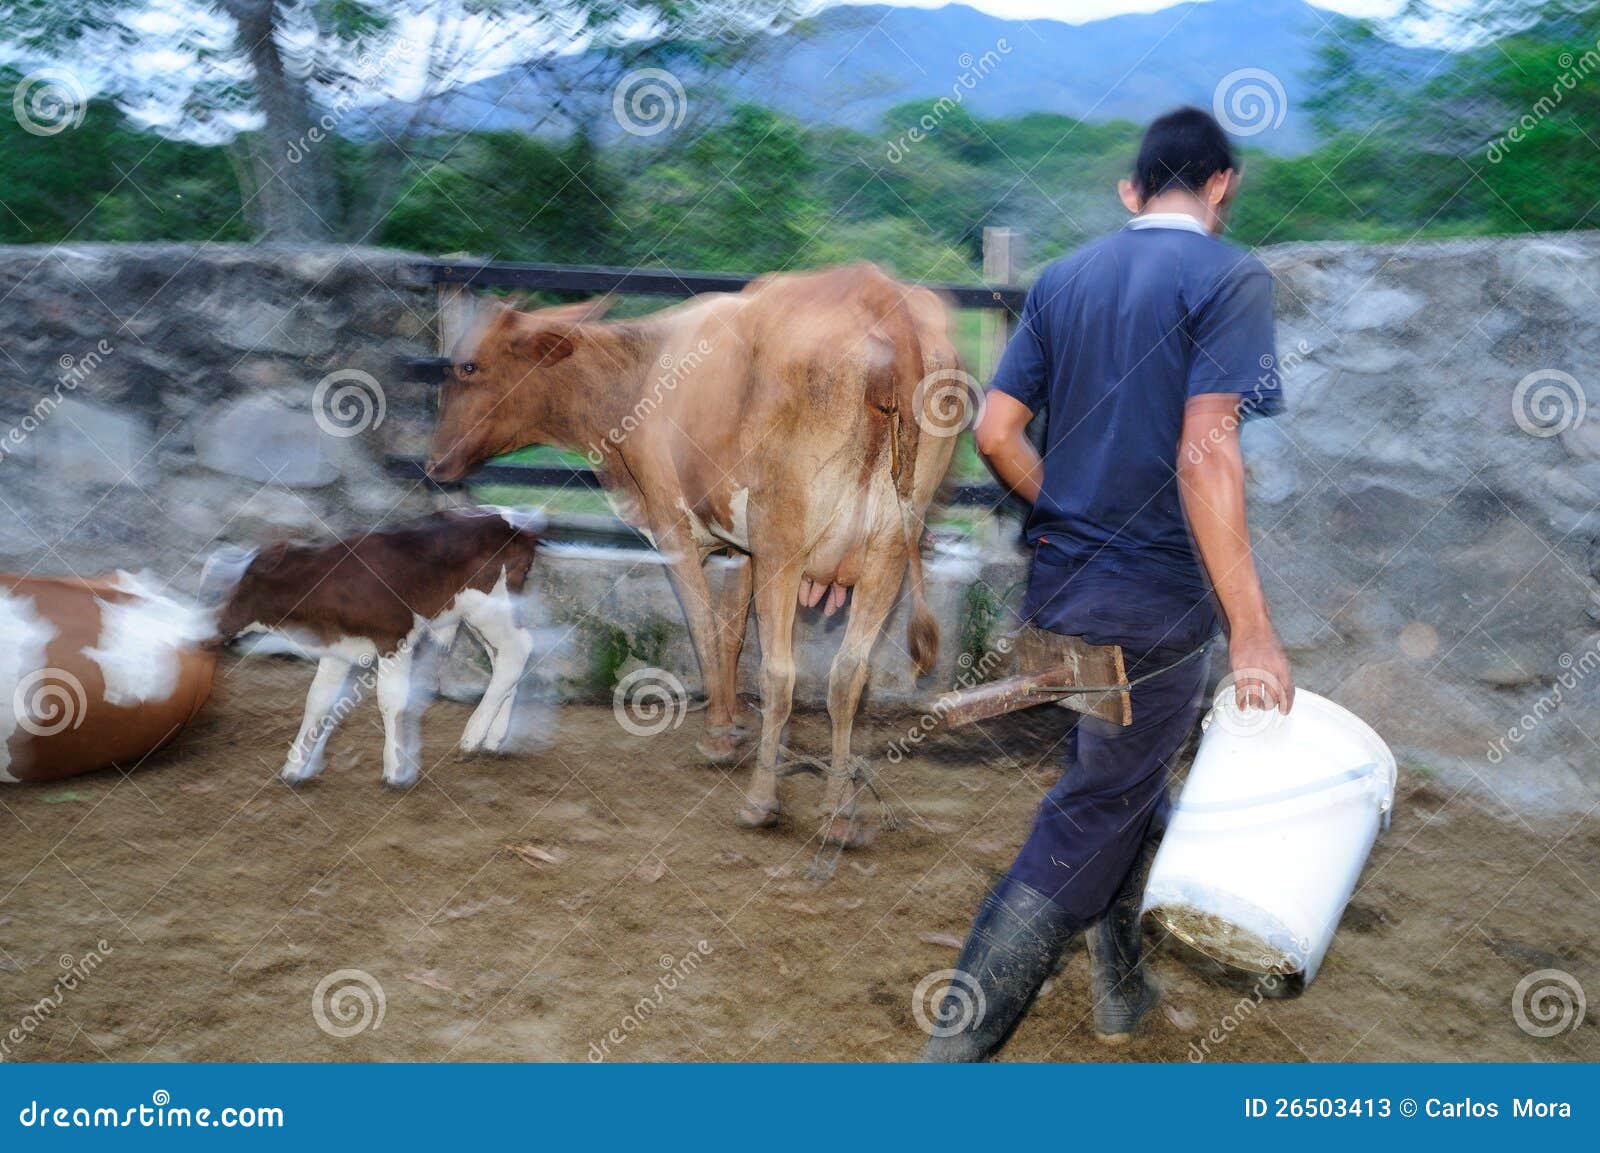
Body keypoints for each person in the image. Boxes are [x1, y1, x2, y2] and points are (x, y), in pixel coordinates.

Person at [919, 106, 1294, 1061]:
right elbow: (1207, 456)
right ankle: (946, 1061)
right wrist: (1252, 632)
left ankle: (1121, 988)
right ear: (1222, 187)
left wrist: (1073, 512)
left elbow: (996, 433)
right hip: (1156, 611)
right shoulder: (1232, 275)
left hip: (1056, 599)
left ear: (1133, 192)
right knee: (1094, 806)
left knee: (1122, 777)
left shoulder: (1064, 277)